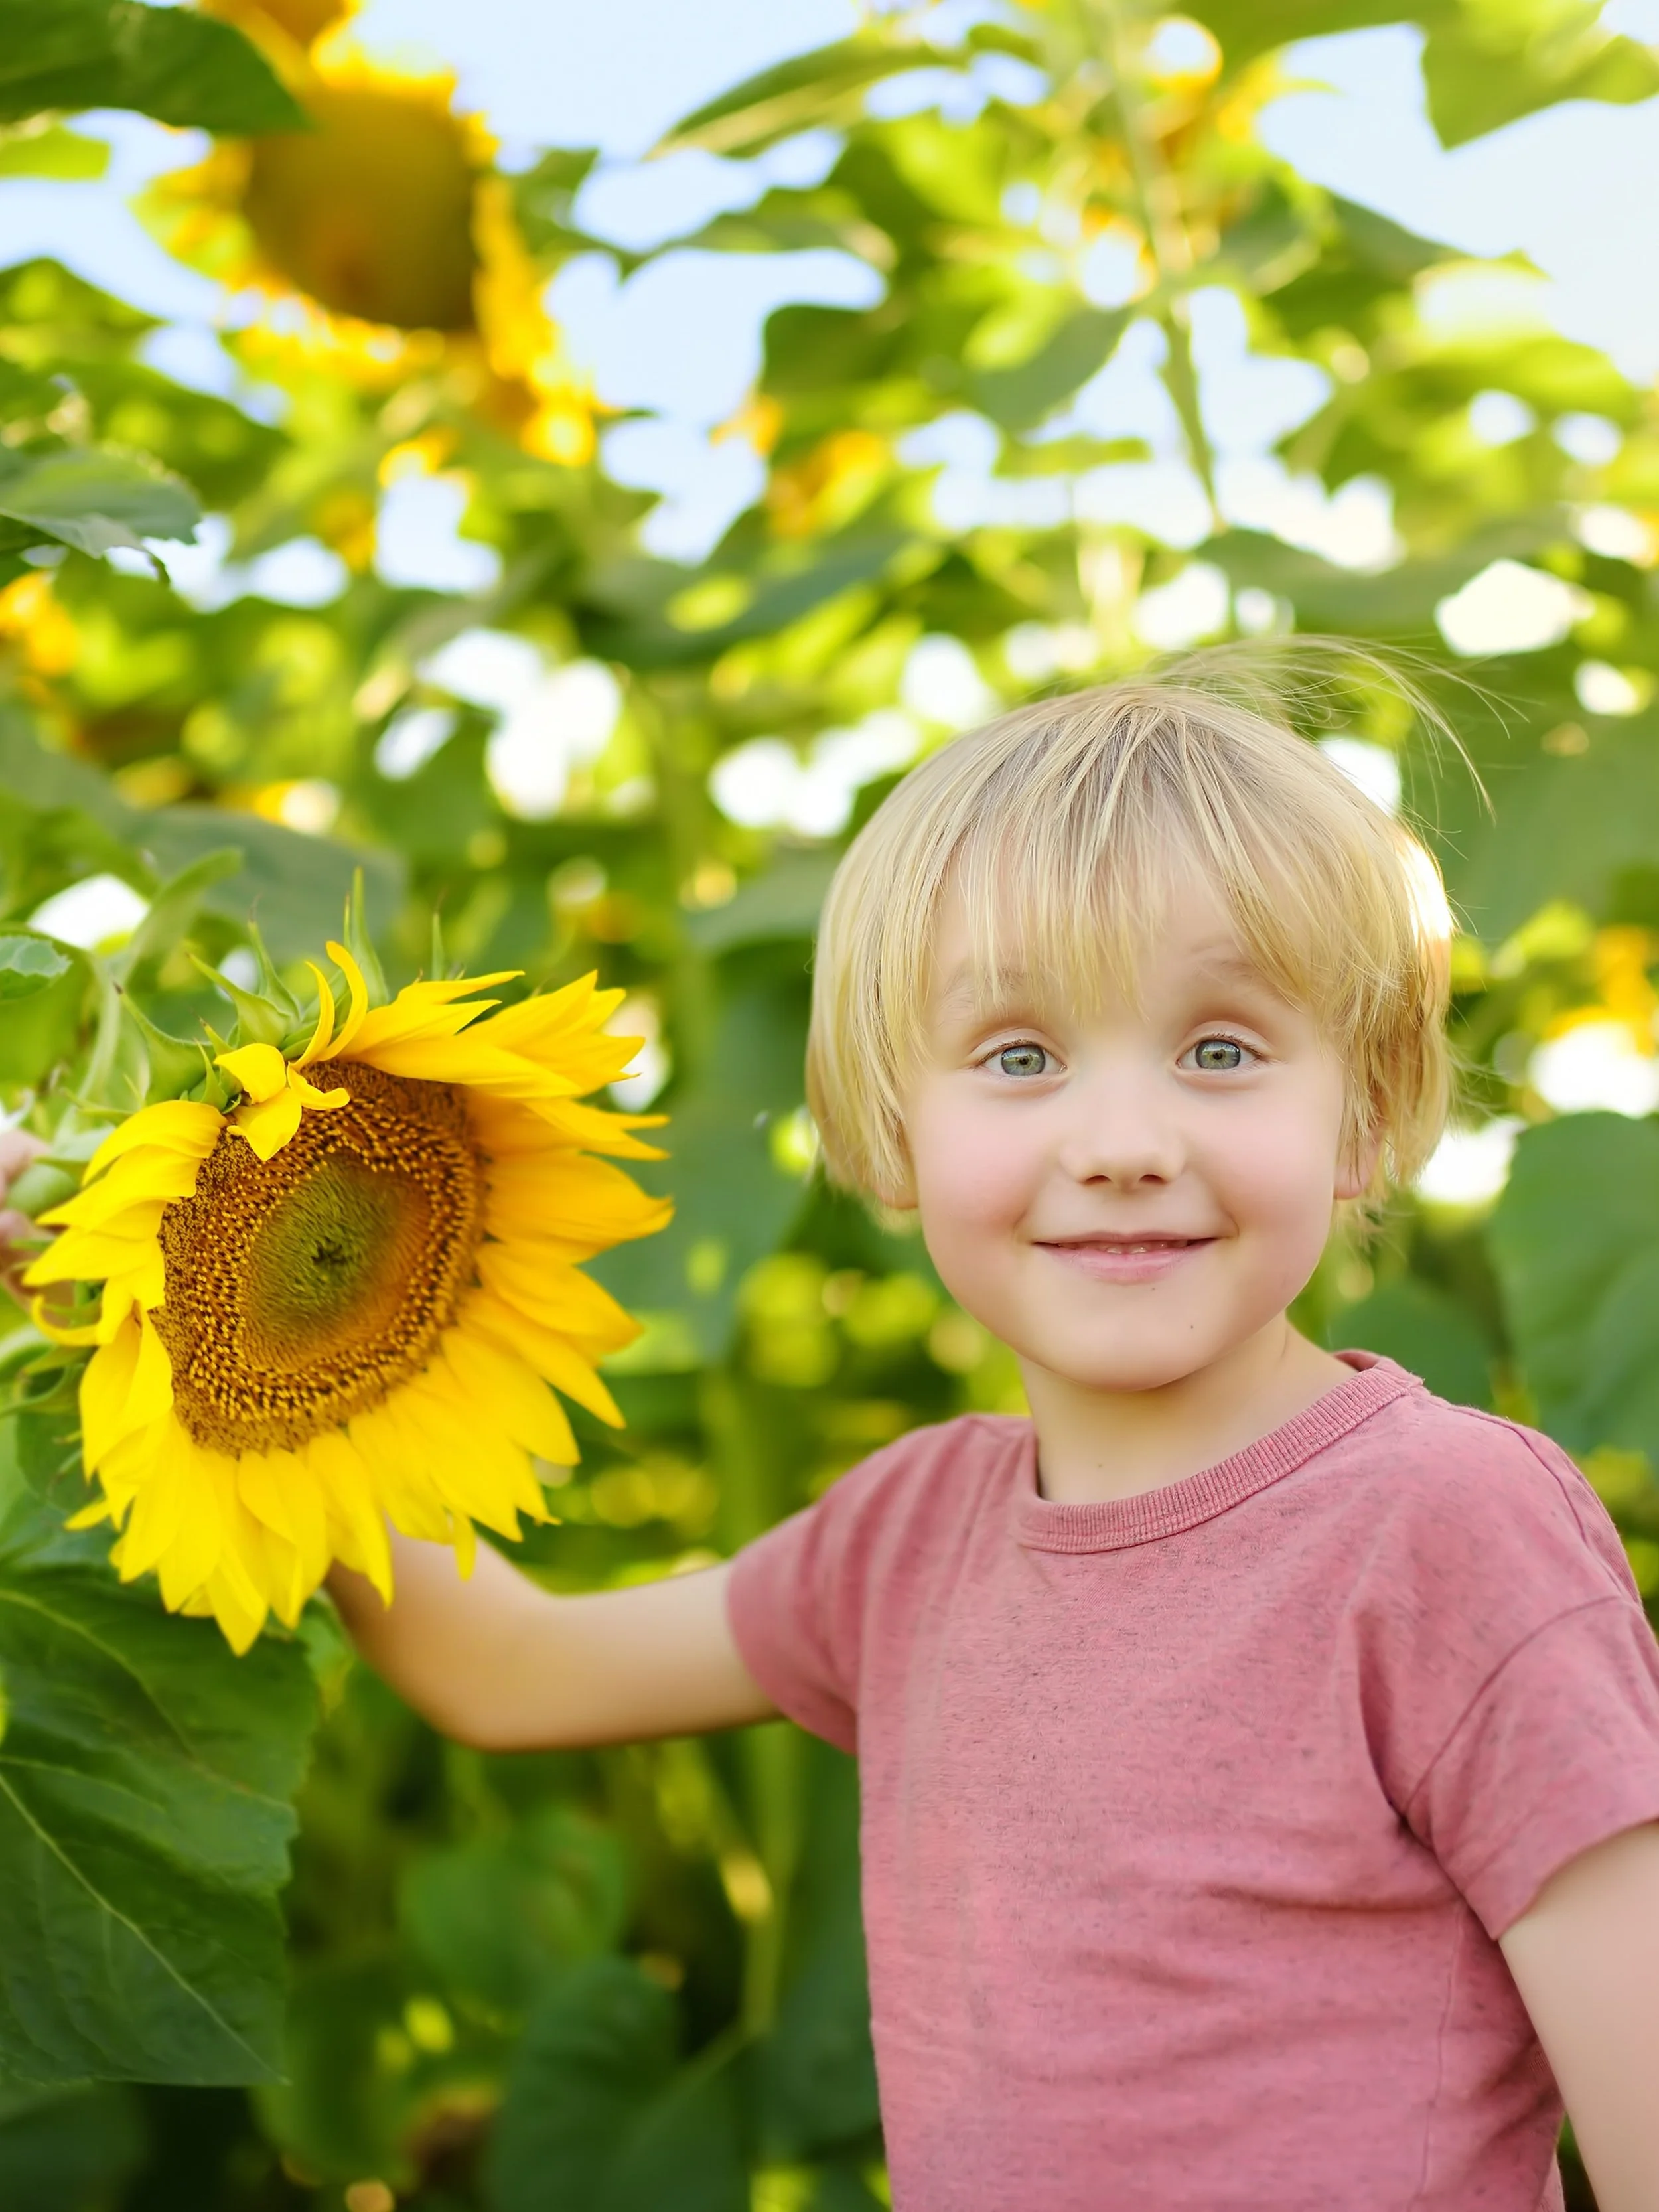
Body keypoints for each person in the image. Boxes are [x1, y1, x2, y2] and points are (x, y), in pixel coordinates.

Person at [8, 667, 1659, 2209]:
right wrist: (209, 1326)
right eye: (1019, 1055)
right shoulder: (911, 1533)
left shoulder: (1440, 1522)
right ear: (888, 1130)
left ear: (1364, 1109)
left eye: (1218, 1050)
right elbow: (510, 1671)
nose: (1120, 1141)